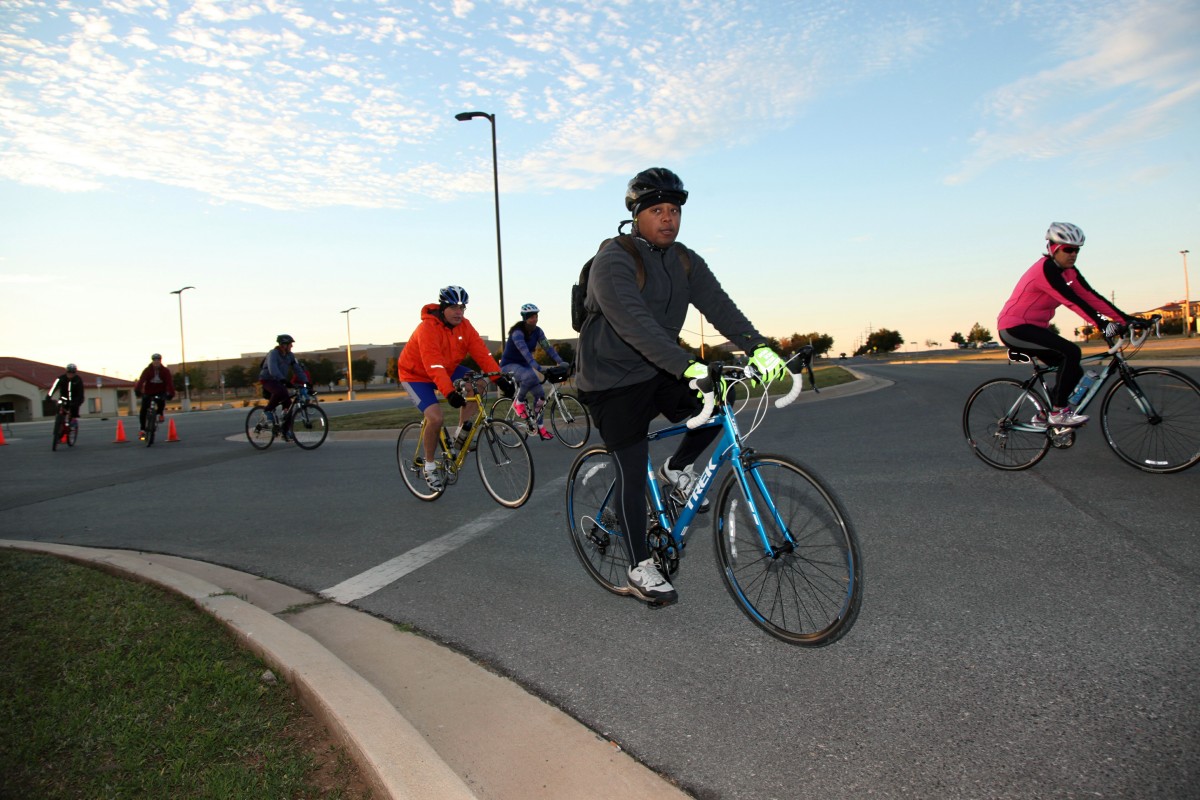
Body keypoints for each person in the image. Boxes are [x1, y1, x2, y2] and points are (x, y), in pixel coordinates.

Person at [575, 167, 789, 606]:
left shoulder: (685, 260)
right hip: (610, 379)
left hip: (660, 368)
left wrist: (759, 348)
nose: (668, 218)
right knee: (631, 466)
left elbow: (721, 307)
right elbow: (634, 323)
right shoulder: (613, 260)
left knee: (720, 402)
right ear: (637, 215)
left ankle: (676, 467)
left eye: (673, 210)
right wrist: (687, 365)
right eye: (657, 210)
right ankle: (639, 566)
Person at [997, 222, 1141, 428]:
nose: (1073, 254)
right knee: (1071, 352)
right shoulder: (1045, 269)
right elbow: (1071, 300)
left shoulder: (1068, 271)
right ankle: (1058, 413)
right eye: (1068, 249)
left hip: (1034, 328)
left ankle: (1044, 415)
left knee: (1073, 371)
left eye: (1077, 250)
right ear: (1053, 248)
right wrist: (1102, 324)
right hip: (1014, 328)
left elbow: (1090, 297)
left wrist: (1125, 320)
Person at [397, 286, 515, 491]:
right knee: (436, 418)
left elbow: (483, 355)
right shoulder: (427, 328)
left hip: (447, 369)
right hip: (415, 375)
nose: (459, 312)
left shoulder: (465, 327)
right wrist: (450, 393)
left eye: (462, 308)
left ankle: (461, 433)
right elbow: (433, 365)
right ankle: (429, 466)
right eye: (453, 307)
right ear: (443, 308)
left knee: (479, 382)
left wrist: (499, 379)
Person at [500, 303, 569, 440]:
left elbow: (547, 347)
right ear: (525, 318)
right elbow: (525, 353)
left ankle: (540, 427)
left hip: (524, 365)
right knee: (530, 376)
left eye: (536, 316)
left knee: (541, 397)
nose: (535, 319)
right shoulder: (517, 333)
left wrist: (560, 361)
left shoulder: (538, 331)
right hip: (509, 365)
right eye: (531, 317)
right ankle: (518, 402)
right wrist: (538, 368)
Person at [258, 334, 310, 441]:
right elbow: (273, 370)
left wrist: (306, 382)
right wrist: (284, 380)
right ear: (284, 345)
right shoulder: (273, 354)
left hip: (279, 381)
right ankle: (267, 411)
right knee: (280, 391)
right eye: (290, 344)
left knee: (288, 406)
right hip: (267, 379)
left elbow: (297, 369)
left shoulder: (290, 356)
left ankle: (285, 432)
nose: (292, 346)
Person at [134, 353, 175, 441]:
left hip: (160, 392)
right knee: (143, 410)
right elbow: (141, 380)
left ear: (160, 361)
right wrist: (138, 390)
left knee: (161, 402)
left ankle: (160, 414)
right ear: (152, 361)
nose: (156, 362)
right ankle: (142, 430)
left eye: (158, 360)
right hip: (149, 392)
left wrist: (171, 393)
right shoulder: (147, 370)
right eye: (154, 360)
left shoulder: (165, 371)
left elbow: (169, 383)